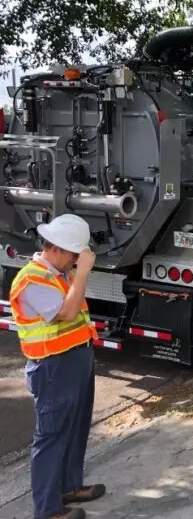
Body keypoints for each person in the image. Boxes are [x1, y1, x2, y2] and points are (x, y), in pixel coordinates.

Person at [10, 214, 106, 519]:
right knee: (51, 436)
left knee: (76, 427)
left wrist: (75, 274)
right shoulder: (31, 278)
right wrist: (83, 274)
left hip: (76, 359)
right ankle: (49, 510)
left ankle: (69, 486)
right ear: (59, 250)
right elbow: (65, 313)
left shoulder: (56, 273)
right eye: (75, 255)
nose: (77, 260)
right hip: (54, 367)